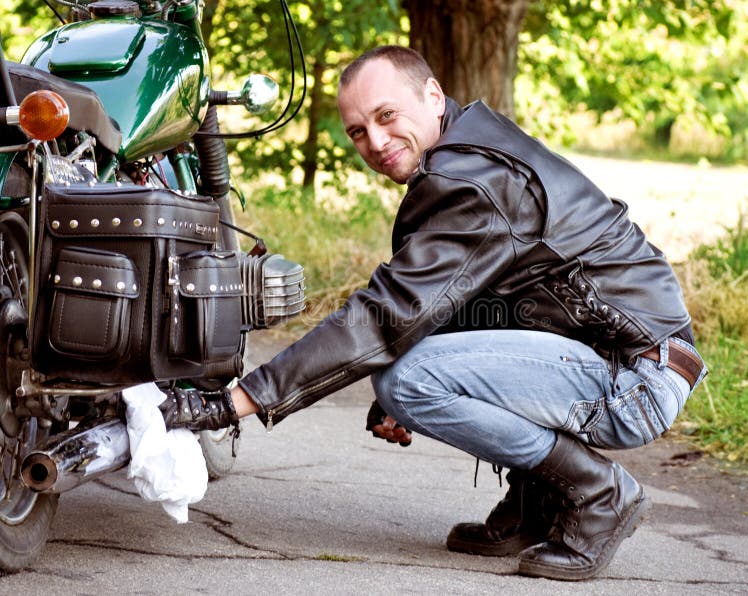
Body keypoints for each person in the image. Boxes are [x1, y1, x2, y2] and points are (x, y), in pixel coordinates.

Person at [158, 45, 707, 581]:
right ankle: (538, 502)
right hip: (617, 358)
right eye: (357, 131)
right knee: (404, 376)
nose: (375, 142)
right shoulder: (469, 153)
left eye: (386, 116)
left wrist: (238, 401)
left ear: (434, 97)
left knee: (407, 381)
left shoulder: (473, 181)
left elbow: (385, 314)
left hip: (635, 379)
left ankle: (597, 492)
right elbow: (462, 301)